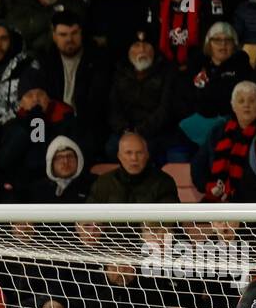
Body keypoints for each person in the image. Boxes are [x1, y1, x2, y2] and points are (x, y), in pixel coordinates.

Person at [35, 11, 111, 149]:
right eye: (63, 35)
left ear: (81, 33)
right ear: (54, 36)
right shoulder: (44, 60)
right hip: (53, 122)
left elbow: (98, 103)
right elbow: (38, 102)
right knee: (35, 140)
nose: (69, 39)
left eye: (74, 33)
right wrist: (39, 137)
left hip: (86, 123)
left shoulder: (97, 58)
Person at [106, 29, 176, 161]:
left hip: (155, 131)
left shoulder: (166, 70)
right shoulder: (119, 70)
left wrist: (141, 130)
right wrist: (124, 130)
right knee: (111, 148)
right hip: (124, 131)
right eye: (137, 45)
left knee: (146, 149)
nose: (142, 50)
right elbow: (113, 106)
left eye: (146, 45)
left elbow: (165, 108)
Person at [148, 0, 225, 74]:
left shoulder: (210, 2)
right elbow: (152, 41)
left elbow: (213, 43)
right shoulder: (156, 4)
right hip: (164, 72)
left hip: (200, 70)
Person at [88, 131, 178, 203]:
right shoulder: (103, 182)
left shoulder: (163, 182)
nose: (134, 158)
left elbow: (168, 219)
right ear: (119, 156)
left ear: (147, 155)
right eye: (128, 153)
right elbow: (86, 218)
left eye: (139, 153)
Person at [21, 134, 90, 203]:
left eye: (70, 156)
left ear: (78, 160)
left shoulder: (93, 185)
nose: (65, 161)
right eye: (59, 157)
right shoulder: (37, 191)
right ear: (50, 164)